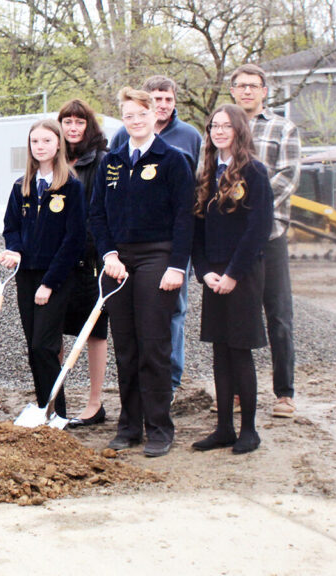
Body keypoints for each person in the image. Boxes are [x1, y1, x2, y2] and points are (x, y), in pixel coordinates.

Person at [89, 87, 194, 458]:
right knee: (127, 348)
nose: (135, 121)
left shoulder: (173, 159)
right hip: (120, 262)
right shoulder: (112, 161)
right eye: (128, 115)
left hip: (158, 258)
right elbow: (97, 214)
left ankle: (160, 428)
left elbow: (185, 217)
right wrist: (109, 255)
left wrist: (177, 266)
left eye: (141, 114)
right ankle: (129, 426)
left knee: (154, 346)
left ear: (155, 116)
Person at [110, 76, 203, 395]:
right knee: (134, 323)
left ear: (173, 102)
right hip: (128, 248)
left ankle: (171, 381)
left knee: (172, 311)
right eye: (156, 98)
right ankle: (138, 390)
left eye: (167, 99)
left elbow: (194, 193)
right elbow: (111, 189)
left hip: (168, 246)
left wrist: (181, 256)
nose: (162, 104)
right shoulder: (122, 136)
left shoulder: (189, 137)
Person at [190, 104, 273, 455]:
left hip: (242, 275)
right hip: (213, 276)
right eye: (214, 126)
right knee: (220, 352)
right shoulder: (207, 172)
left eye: (226, 126)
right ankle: (223, 427)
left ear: (239, 130)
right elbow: (196, 227)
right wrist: (205, 270)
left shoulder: (253, 172)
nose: (219, 131)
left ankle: (249, 430)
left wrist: (232, 275)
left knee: (240, 351)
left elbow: (257, 230)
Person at [0, 119, 85, 420]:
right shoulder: (21, 187)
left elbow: (74, 239)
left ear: (58, 144)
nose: (41, 146)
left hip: (56, 278)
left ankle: (56, 412)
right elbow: (11, 227)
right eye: (35, 142)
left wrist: (49, 283)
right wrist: (14, 250)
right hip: (27, 275)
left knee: (44, 346)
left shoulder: (71, 188)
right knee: (33, 348)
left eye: (47, 141)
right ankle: (43, 409)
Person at [229, 63, 301, 419]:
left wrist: (252, 208)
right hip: (233, 238)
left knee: (279, 314)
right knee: (241, 314)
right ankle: (242, 389)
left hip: (270, 234)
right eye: (241, 86)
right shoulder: (224, 128)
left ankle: (284, 393)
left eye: (253, 86)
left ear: (264, 91)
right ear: (232, 91)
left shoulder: (282, 128)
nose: (247, 91)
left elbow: (287, 178)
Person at [57, 99, 110, 427]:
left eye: (79, 122)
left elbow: (102, 211)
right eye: (68, 122)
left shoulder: (102, 161)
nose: (73, 128)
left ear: (88, 126)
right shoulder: (52, 158)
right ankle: (55, 399)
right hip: (56, 263)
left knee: (94, 334)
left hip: (90, 262)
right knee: (54, 333)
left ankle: (95, 403)